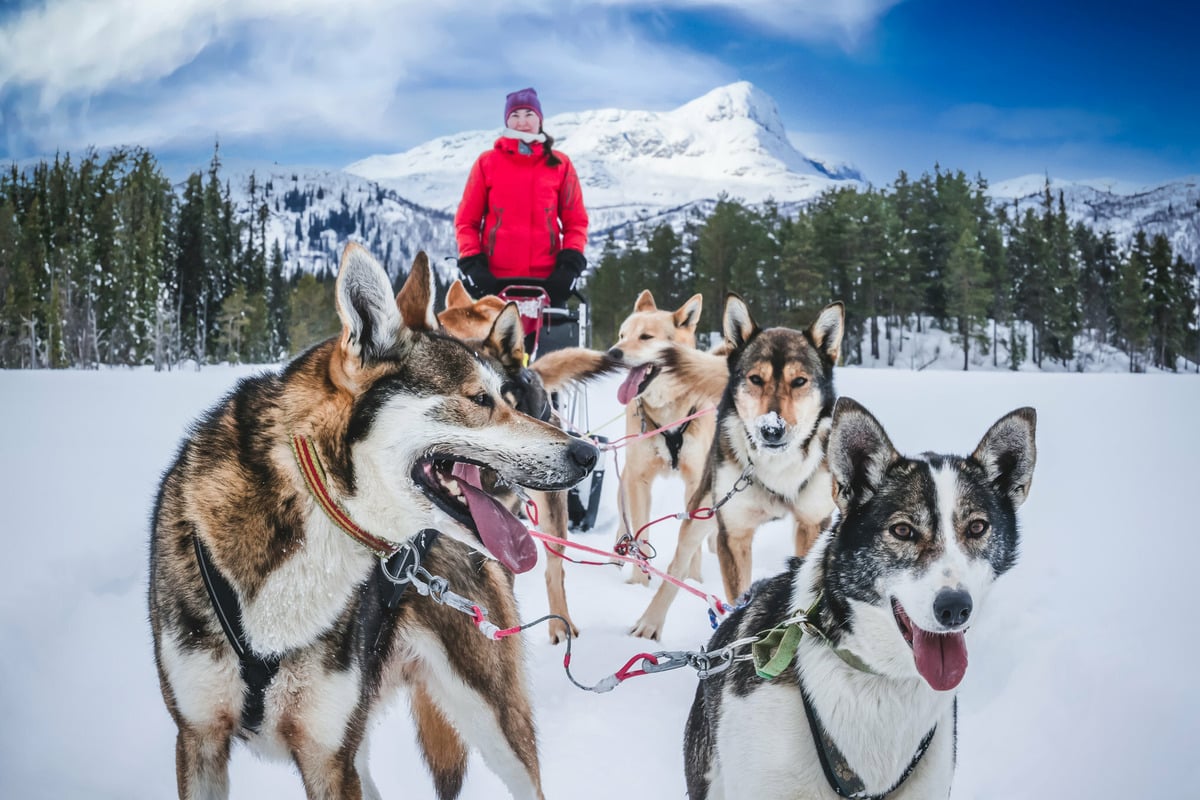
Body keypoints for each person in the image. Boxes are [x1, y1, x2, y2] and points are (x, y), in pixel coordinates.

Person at [455, 87, 589, 307]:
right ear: (507, 121)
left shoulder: (561, 165)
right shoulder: (487, 163)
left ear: (540, 120)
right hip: (494, 282)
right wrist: (472, 263)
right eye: (515, 115)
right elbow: (466, 221)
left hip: (548, 282)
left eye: (529, 114)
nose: (522, 121)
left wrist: (569, 266)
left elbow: (576, 222)